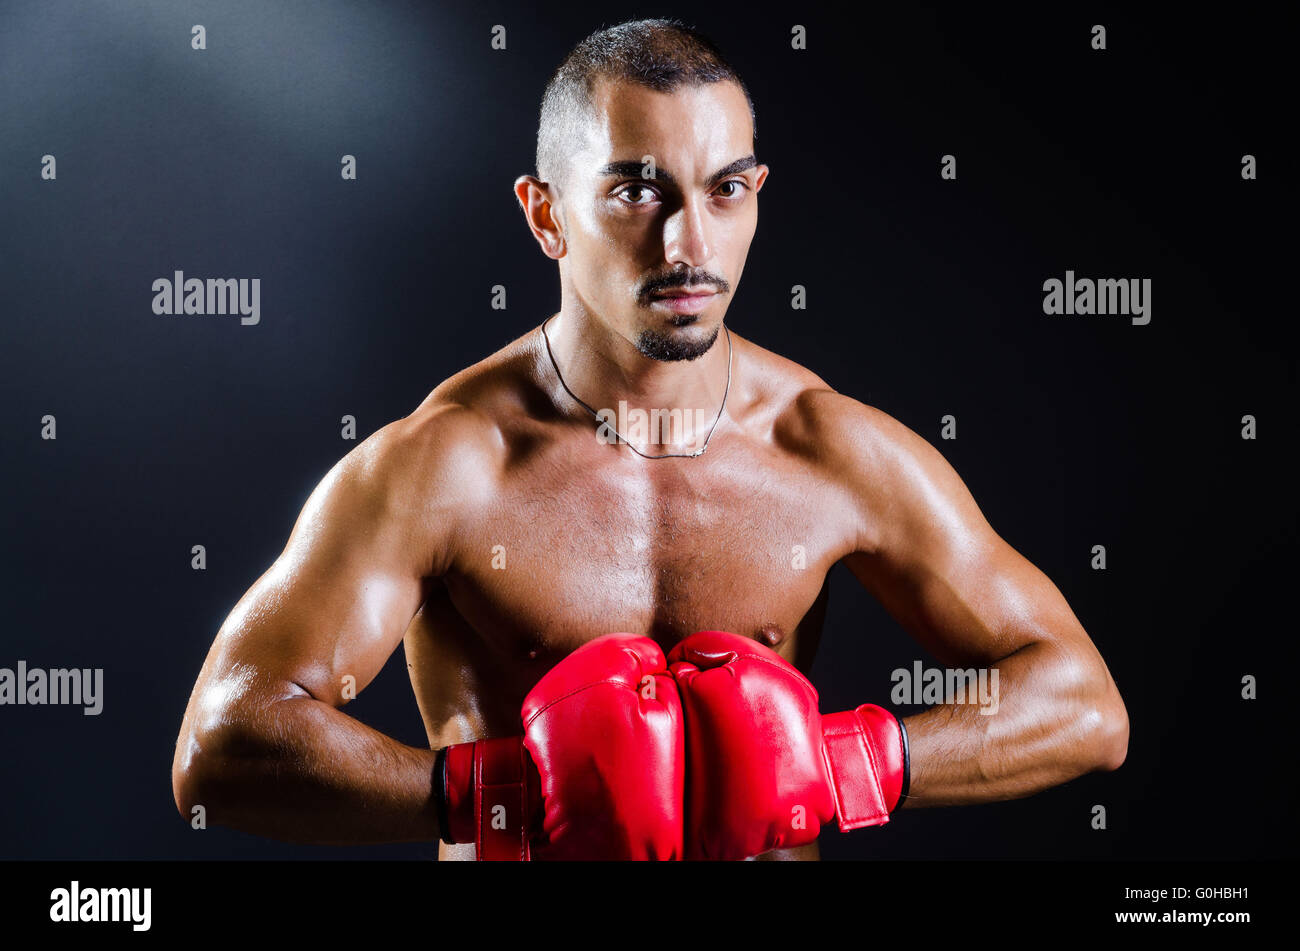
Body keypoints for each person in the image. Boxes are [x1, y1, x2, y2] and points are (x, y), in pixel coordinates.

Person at [172, 18, 1128, 861]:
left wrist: (850, 765)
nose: (688, 246)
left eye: (725, 190)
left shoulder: (827, 449)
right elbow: (224, 744)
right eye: (636, 191)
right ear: (545, 214)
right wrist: (496, 796)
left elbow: (1085, 704)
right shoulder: (446, 464)